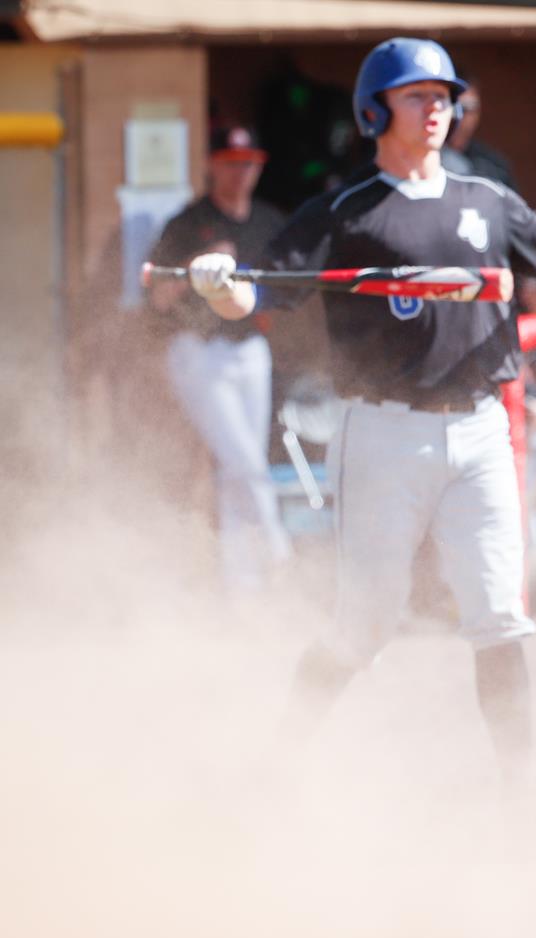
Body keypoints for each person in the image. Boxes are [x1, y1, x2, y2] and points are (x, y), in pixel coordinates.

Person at [183, 37, 536, 798]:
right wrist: (220, 290)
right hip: (385, 434)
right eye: (419, 96)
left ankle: (522, 785)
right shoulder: (346, 208)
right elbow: (261, 291)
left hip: (479, 427)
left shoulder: (485, 198)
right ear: (376, 110)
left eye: (445, 96)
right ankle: (276, 760)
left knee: (500, 616)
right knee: (364, 625)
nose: (438, 108)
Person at [147, 124, 292, 595]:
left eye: (248, 162)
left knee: (240, 470)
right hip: (200, 351)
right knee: (243, 461)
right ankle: (278, 551)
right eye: (231, 162)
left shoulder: (269, 221)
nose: (240, 172)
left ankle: (241, 589)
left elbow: (290, 290)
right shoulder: (187, 223)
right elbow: (158, 296)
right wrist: (202, 268)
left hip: (251, 349)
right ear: (212, 165)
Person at [441, 71, 518, 192]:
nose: (460, 116)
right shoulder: (416, 160)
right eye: (454, 106)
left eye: (469, 108)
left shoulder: (494, 166)